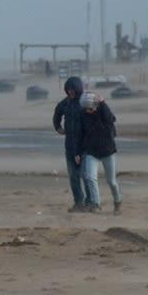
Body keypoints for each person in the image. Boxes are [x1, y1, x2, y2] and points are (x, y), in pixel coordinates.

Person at [51, 76, 95, 213]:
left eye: (73, 89)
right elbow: (56, 114)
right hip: (69, 145)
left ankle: (91, 201)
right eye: (68, 90)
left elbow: (96, 116)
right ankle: (78, 202)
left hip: (85, 146)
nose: (70, 92)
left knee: (86, 175)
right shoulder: (65, 103)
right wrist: (58, 127)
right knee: (73, 176)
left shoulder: (85, 101)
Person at [77, 91, 120, 214]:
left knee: (111, 181)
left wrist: (103, 103)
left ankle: (117, 201)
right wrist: (77, 152)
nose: (87, 111)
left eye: (90, 108)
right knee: (90, 177)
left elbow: (111, 119)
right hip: (91, 151)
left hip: (108, 151)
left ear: (95, 105)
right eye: (85, 108)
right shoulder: (83, 115)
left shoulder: (104, 112)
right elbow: (80, 134)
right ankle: (96, 203)